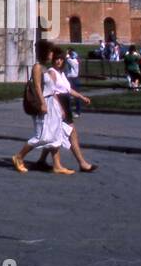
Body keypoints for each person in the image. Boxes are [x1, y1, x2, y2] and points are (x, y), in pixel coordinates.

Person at [12, 41, 74, 175]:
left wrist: (60, 108)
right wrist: (42, 103)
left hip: (53, 104)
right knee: (42, 135)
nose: (52, 55)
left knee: (56, 134)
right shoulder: (37, 67)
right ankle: (19, 157)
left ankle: (57, 165)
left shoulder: (46, 68)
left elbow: (52, 89)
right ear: (44, 52)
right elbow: (37, 87)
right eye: (50, 52)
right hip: (44, 103)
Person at [37, 48, 96, 172]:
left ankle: (41, 161)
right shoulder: (52, 72)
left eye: (61, 59)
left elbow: (68, 90)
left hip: (65, 104)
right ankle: (82, 163)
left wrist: (81, 97)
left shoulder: (61, 73)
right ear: (53, 60)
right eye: (56, 59)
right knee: (72, 133)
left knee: (54, 134)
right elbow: (51, 91)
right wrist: (60, 108)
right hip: (58, 105)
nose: (58, 61)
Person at [64, 48, 81, 114]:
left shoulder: (74, 61)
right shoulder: (69, 60)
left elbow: (69, 60)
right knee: (67, 95)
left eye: (67, 53)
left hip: (74, 79)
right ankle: (68, 111)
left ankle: (78, 111)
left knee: (77, 96)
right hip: (69, 79)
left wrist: (67, 56)